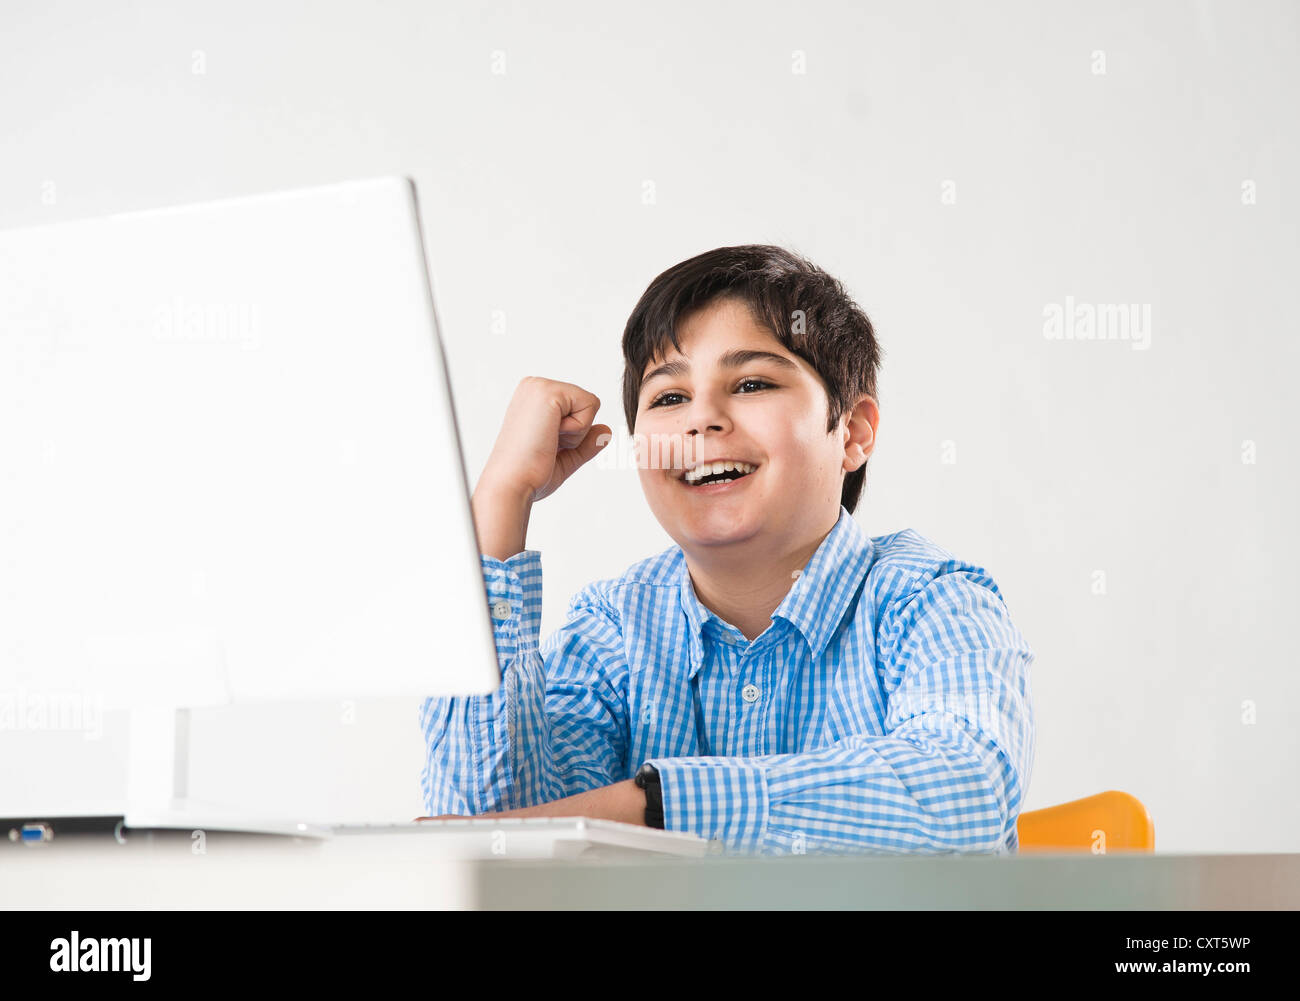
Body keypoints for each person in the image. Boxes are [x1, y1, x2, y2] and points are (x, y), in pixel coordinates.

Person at [417, 245, 1035, 855]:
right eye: (668, 397)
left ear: (852, 431)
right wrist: (502, 498)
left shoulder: (932, 600)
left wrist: (660, 806)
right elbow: (493, 843)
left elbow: (966, 791)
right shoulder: (614, 628)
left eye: (751, 383)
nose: (702, 419)